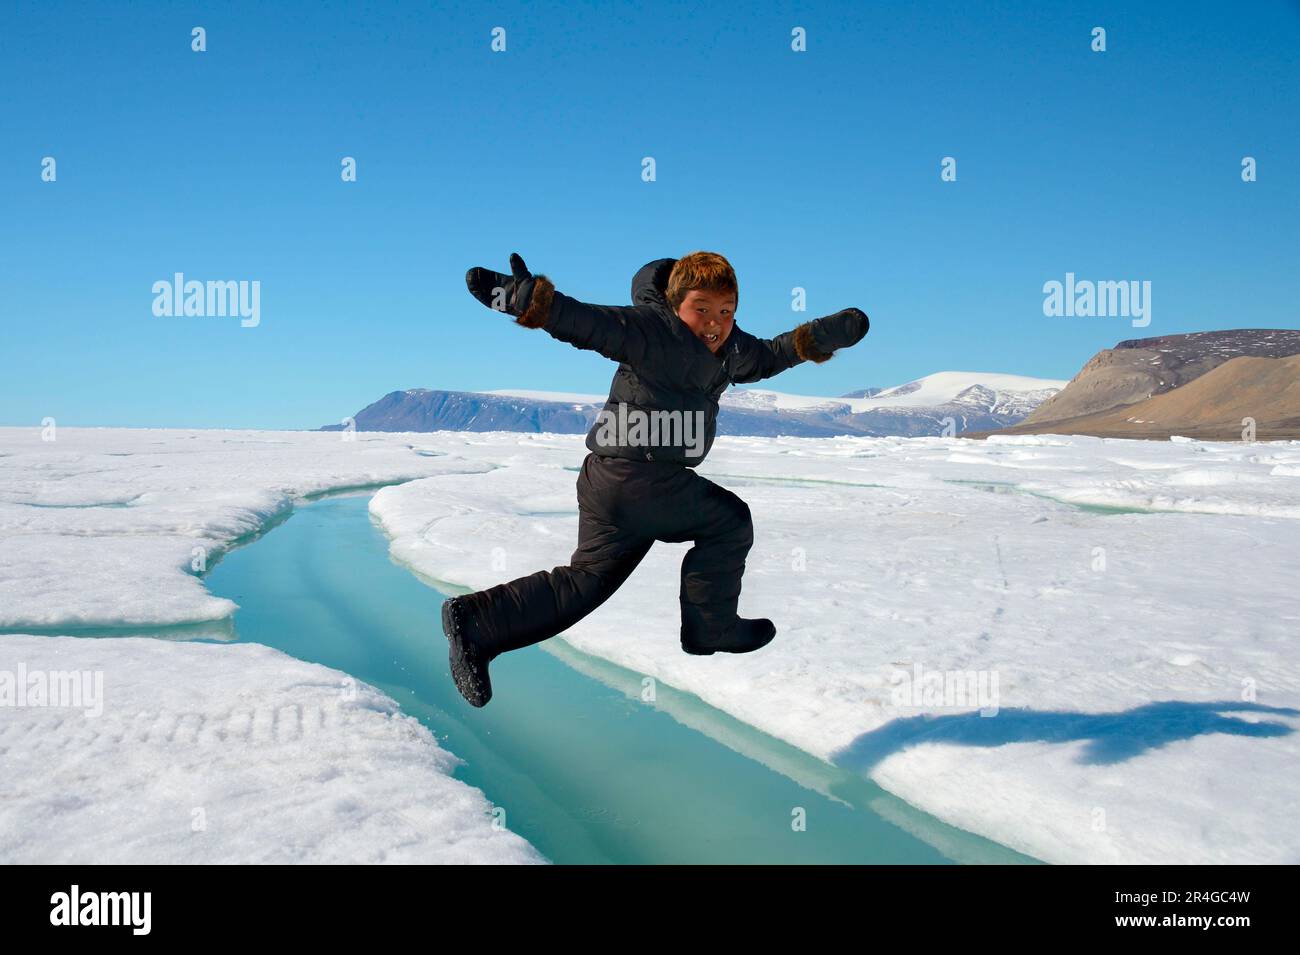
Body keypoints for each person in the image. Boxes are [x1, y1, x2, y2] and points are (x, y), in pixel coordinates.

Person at [442, 251, 869, 706]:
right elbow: (586, 323)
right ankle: (711, 628)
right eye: (701, 308)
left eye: (726, 312)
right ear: (676, 303)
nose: (714, 322)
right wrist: (525, 299)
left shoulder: (730, 348)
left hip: (613, 479)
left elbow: (773, 354)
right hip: (640, 477)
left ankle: (479, 623)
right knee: (729, 522)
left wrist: (823, 334)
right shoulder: (652, 328)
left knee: (586, 582)